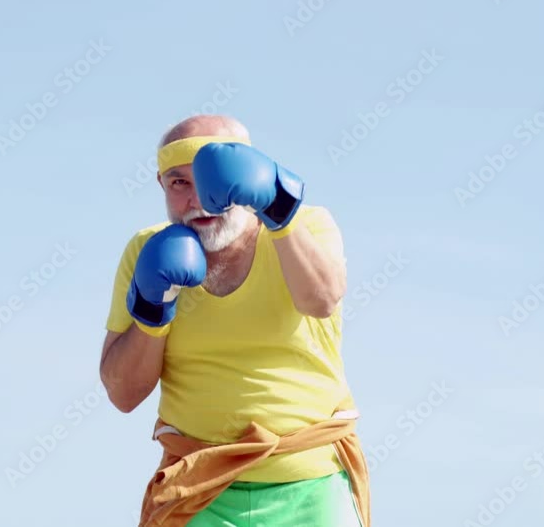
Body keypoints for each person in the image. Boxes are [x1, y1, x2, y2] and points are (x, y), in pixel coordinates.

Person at [99, 115, 370, 527]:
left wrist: (280, 209)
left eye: (213, 182)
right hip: (199, 491)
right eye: (179, 183)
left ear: (248, 179)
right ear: (161, 186)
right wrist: (153, 312)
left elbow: (321, 299)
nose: (200, 200)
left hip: (311, 486)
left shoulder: (307, 223)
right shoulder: (146, 250)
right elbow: (123, 394)